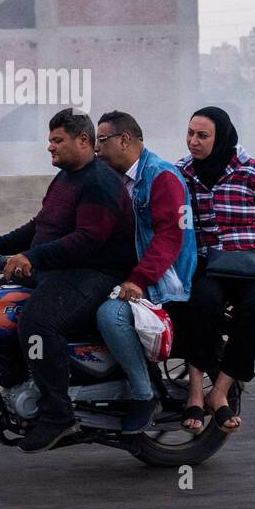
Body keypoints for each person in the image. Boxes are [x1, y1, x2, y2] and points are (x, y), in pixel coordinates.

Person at [0, 107, 136, 452]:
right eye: (49, 140)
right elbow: (39, 227)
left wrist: (31, 258)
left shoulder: (99, 181)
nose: (50, 147)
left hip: (94, 274)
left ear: (83, 140)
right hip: (62, 269)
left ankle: (58, 414)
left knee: (36, 321)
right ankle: (13, 381)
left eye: (57, 140)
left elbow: (87, 240)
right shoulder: (66, 178)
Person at [175, 106, 255, 434]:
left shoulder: (252, 173)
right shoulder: (181, 174)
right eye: (190, 133)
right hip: (210, 262)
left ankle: (218, 392)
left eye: (202, 136)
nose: (193, 141)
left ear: (221, 138)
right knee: (200, 304)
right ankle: (194, 389)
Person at [92, 110, 196, 433]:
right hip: (135, 271)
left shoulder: (161, 177)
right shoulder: (119, 179)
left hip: (164, 280)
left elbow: (169, 237)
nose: (96, 148)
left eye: (102, 140)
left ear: (124, 140)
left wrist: (139, 279)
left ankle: (143, 392)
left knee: (111, 315)